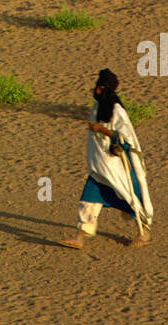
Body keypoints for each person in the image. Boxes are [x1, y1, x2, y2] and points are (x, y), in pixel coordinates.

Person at [62, 69, 153, 250]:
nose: (96, 91)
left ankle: (144, 232)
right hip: (99, 167)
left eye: (101, 88)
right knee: (88, 201)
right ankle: (80, 237)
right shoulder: (96, 108)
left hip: (116, 167)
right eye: (97, 86)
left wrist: (101, 129)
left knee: (131, 198)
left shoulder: (118, 111)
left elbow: (126, 140)